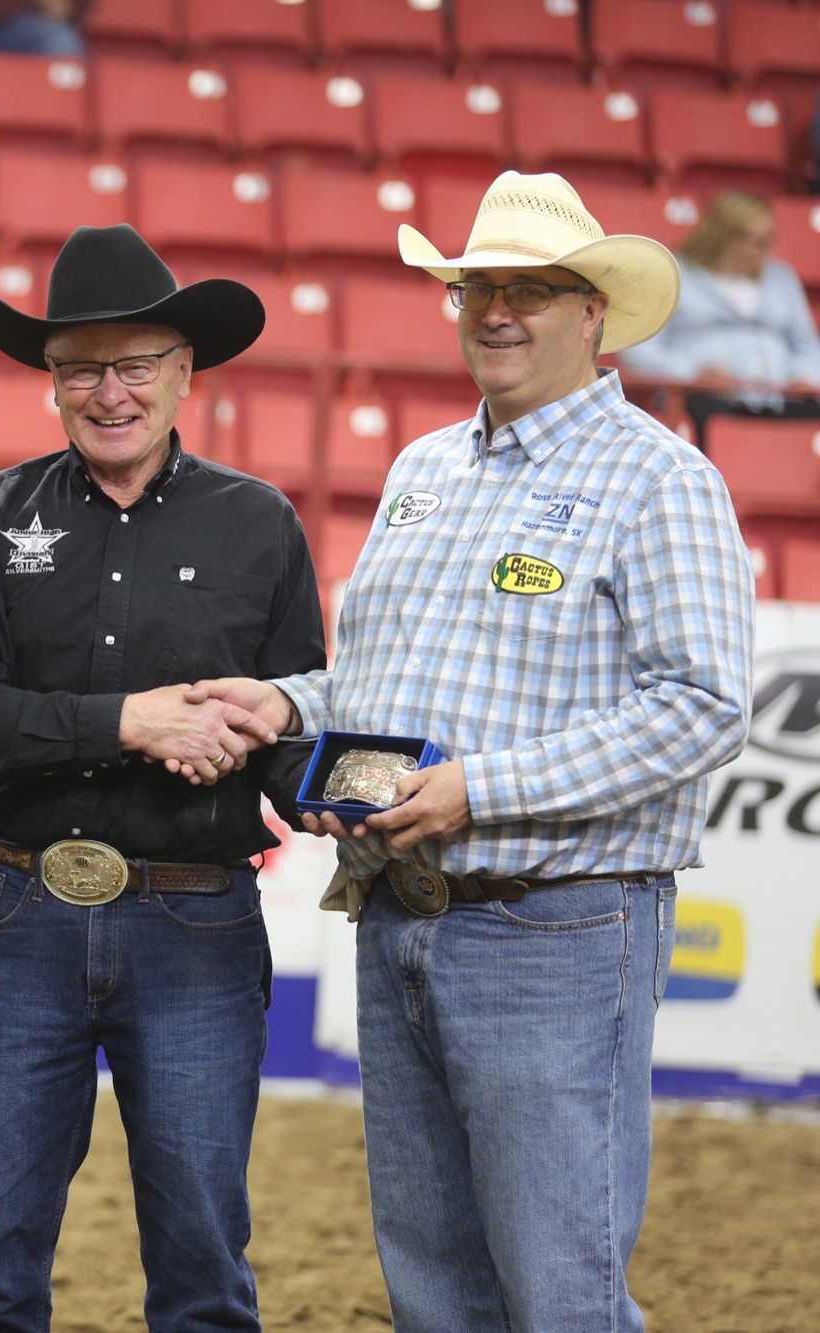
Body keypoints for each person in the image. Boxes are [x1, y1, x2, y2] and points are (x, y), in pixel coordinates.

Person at [192, 172, 756, 1333]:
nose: (495, 311)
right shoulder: (421, 469)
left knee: (558, 1282)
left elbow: (702, 705)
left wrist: (476, 790)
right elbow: (376, 682)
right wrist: (284, 704)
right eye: (475, 287)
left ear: (591, 311)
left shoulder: (658, 478)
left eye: (528, 290)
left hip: (552, 925)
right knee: (432, 1278)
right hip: (401, 908)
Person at [0, 224, 325, 1331]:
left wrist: (333, 790)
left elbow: (290, 719)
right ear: (50, 382)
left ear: (185, 372)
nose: (109, 391)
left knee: (201, 1257)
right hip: (21, 907)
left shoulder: (260, 524)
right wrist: (133, 723)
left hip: (198, 922)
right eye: (80, 367)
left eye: (135, 364)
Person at [618, 188, 820, 445]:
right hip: (701, 401)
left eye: (769, 239)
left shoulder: (782, 278)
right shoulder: (673, 275)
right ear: (725, 237)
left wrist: (804, 377)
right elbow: (639, 352)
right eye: (757, 242)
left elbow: (808, 346)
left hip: (780, 401)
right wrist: (691, 374)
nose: (766, 250)